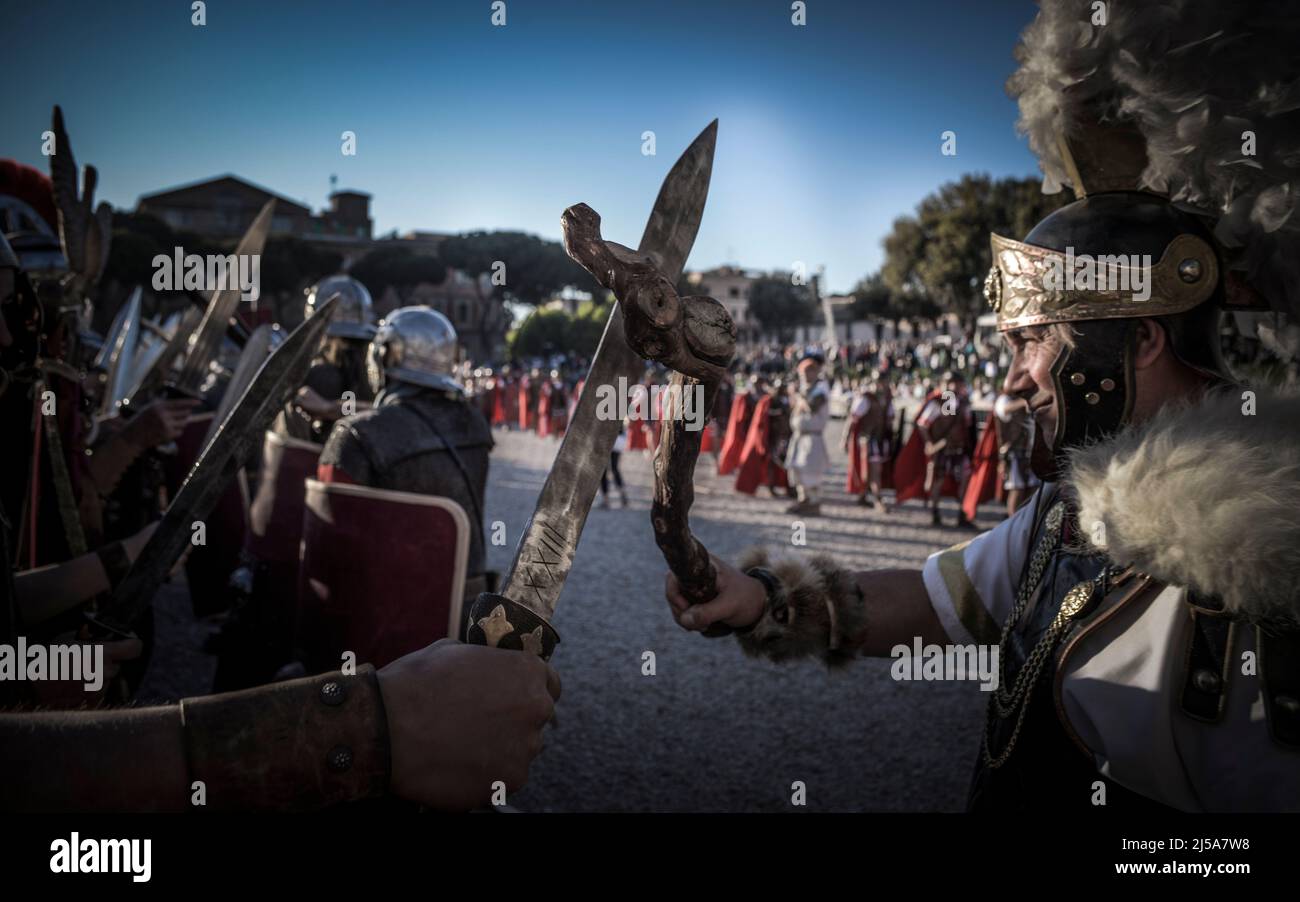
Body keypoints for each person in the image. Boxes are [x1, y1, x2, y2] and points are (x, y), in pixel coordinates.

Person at [664, 0, 1300, 812]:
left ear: (1141, 339)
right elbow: (934, 604)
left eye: (1034, 341)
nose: (1014, 379)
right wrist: (763, 599)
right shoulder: (1063, 517)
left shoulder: (1269, 566)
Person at [318, 306, 495, 607]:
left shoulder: (355, 436)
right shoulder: (473, 425)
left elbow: (327, 546)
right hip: (465, 604)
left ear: (386, 355)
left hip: (385, 610)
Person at [915, 371, 975, 528]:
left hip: (959, 449)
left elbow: (967, 425)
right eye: (951, 383)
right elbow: (923, 424)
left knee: (965, 479)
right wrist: (929, 443)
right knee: (938, 481)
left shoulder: (962, 402)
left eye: (957, 383)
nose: (955, 386)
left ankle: (962, 513)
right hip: (942, 448)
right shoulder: (939, 402)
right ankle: (935, 512)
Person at [783, 354, 830, 516]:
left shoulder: (821, 389)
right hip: (799, 436)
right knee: (797, 470)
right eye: (803, 373)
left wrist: (797, 395)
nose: (805, 376)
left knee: (811, 472)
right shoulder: (804, 389)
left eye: (809, 372)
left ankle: (814, 503)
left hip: (812, 437)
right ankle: (803, 500)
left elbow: (812, 406)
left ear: (815, 372)